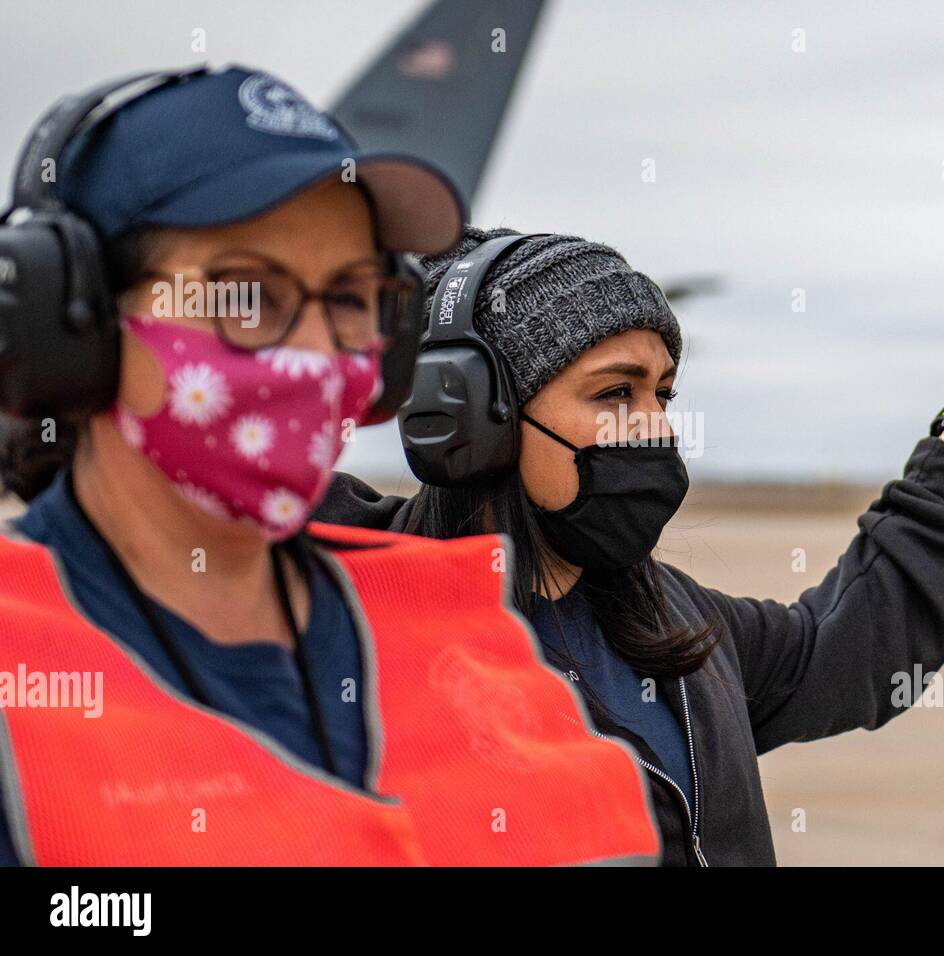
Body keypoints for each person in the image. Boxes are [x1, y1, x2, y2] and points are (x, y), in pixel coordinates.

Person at [0, 68, 659, 866]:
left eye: (351, 298)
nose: (318, 352)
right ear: (72, 326)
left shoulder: (470, 635)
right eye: (246, 294)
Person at [316, 225, 944, 866]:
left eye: (663, 394)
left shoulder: (674, 632)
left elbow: (844, 649)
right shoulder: (337, 610)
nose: (653, 427)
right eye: (614, 393)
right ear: (472, 421)